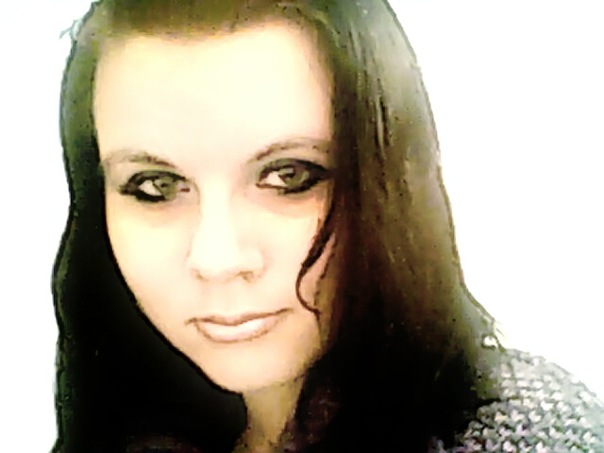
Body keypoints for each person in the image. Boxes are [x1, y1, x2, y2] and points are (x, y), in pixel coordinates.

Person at [52, 0, 604, 451]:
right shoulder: (124, 425)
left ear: (391, 183)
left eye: (290, 176)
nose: (217, 259)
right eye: (155, 186)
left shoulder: (519, 433)